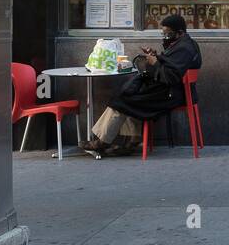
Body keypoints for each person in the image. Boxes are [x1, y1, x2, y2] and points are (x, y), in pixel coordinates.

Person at [81, 14, 202, 155]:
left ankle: (102, 142)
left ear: (180, 33)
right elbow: (171, 65)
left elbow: (171, 76)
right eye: (163, 33)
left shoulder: (185, 49)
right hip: (170, 91)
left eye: (168, 34)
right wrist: (156, 56)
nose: (165, 36)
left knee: (123, 99)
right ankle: (132, 141)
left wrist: (155, 62)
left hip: (172, 95)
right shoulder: (183, 44)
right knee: (128, 94)